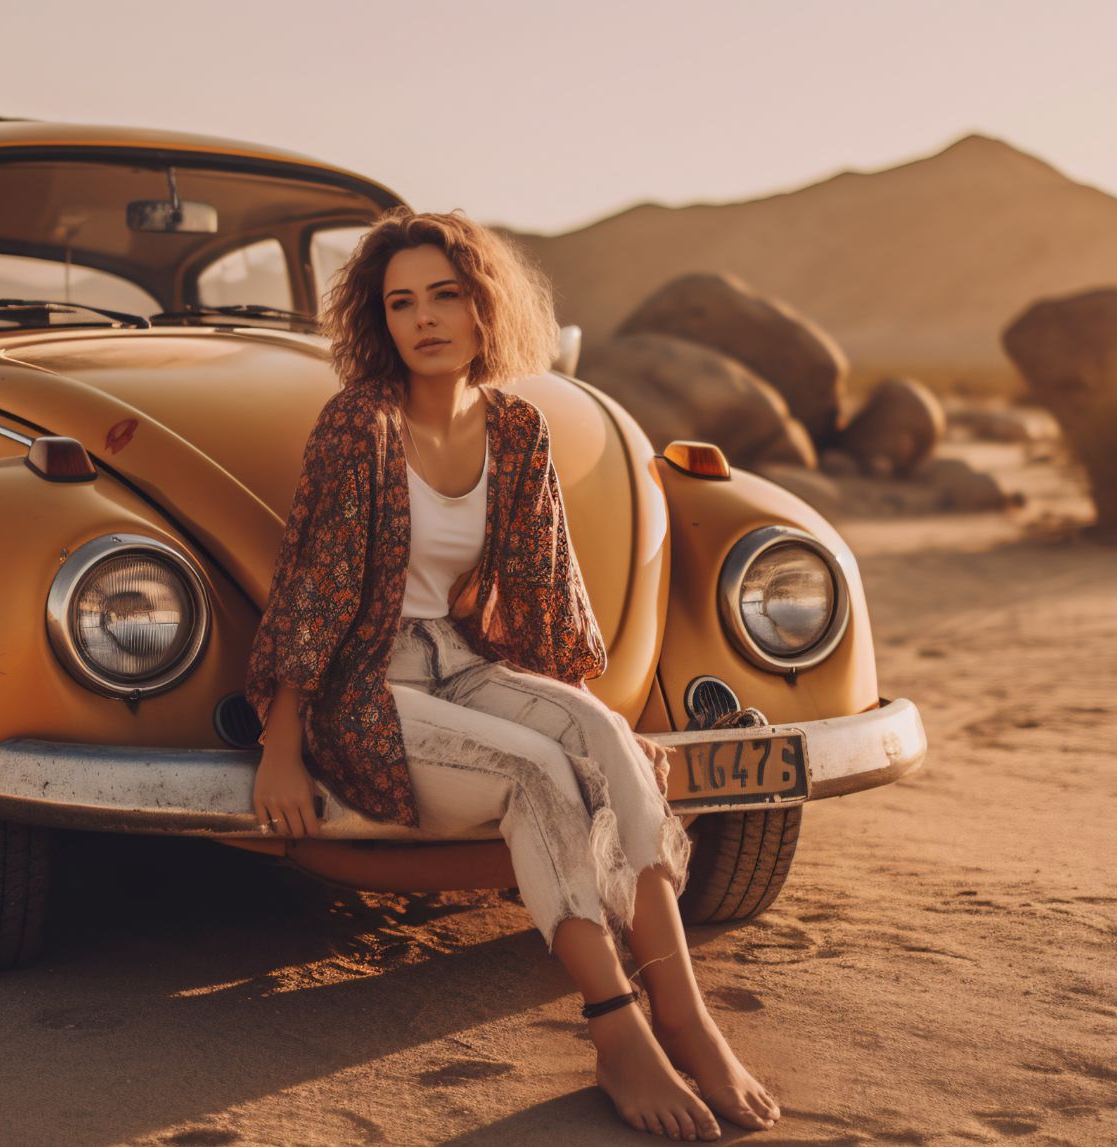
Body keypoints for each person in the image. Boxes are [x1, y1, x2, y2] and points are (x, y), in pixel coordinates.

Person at [245, 208, 779, 1139]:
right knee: (537, 775)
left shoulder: (518, 429)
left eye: (445, 295)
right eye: (401, 301)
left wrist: (597, 720)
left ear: (483, 307)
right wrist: (280, 745)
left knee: (609, 740)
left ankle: (688, 1016)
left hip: (463, 664)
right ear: (380, 320)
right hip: (366, 692)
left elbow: (542, 595)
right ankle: (619, 1032)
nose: (424, 318)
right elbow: (312, 590)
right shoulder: (357, 425)